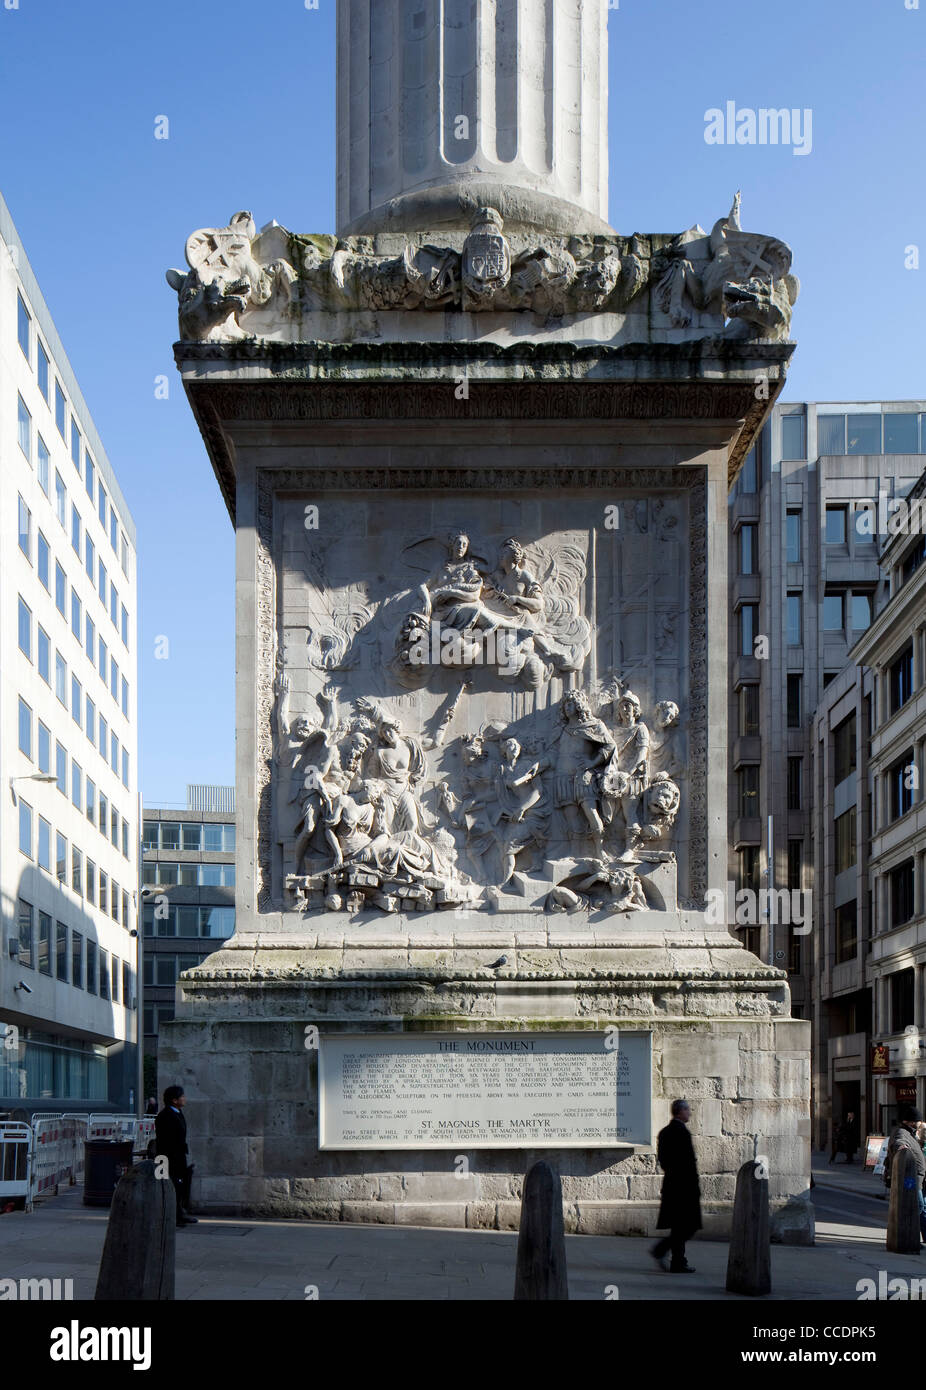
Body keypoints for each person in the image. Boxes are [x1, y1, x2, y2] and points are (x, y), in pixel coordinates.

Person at [650, 1098, 702, 1274]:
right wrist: (694, 1186)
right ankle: (662, 1251)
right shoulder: (681, 1132)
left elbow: (664, 1161)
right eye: (687, 1110)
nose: (690, 1112)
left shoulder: (664, 1132)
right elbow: (688, 1163)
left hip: (672, 1185)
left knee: (679, 1226)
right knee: (689, 1226)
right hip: (684, 1188)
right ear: (679, 1111)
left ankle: (678, 1262)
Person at [155, 1084, 198, 1227]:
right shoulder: (166, 1116)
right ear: (174, 1100)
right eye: (182, 1097)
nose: (184, 1099)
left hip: (178, 1156)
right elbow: (167, 1140)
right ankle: (173, 1216)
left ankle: (180, 1212)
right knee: (171, 1186)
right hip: (169, 1158)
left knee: (180, 1187)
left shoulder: (177, 1113)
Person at [884, 1106, 926, 1245]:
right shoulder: (902, 1133)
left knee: (920, 1208)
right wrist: (901, 1148)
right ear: (912, 1122)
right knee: (917, 1207)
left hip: (917, 1179)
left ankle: (917, 1236)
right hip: (911, 1180)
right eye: (919, 1121)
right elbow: (899, 1142)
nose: (920, 1123)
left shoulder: (911, 1134)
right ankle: (910, 1235)